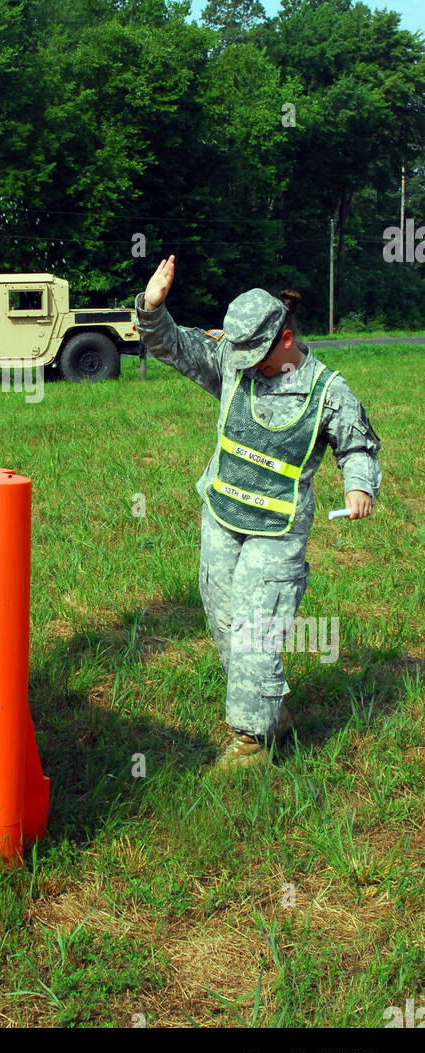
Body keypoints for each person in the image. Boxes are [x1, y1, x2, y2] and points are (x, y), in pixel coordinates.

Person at [136, 255, 382, 770]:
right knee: (226, 623)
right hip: (221, 516)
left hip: (277, 531)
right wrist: (154, 310)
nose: (245, 364)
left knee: (255, 626)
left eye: (258, 355)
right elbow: (176, 348)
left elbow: (356, 445)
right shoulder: (235, 361)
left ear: (285, 338)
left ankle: (249, 742)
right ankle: (269, 709)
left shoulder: (325, 389)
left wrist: (359, 486)